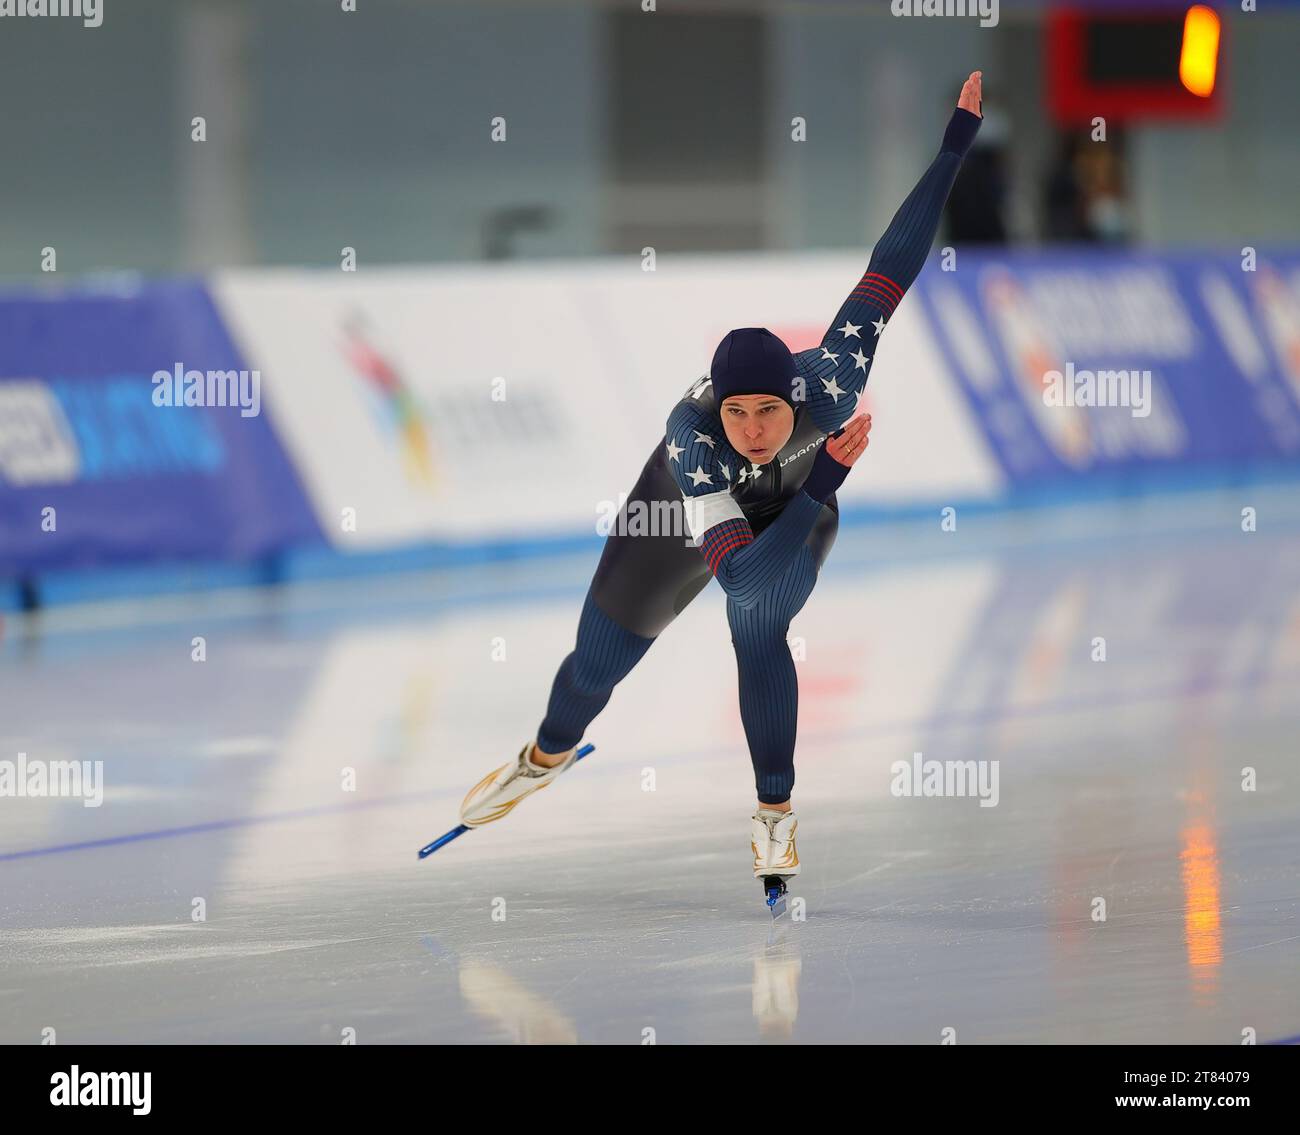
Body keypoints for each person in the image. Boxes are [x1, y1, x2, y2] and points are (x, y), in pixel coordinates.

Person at [459, 72, 985, 897]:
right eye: (735, 411)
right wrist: (830, 473)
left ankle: (774, 813)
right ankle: (544, 756)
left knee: (759, 619)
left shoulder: (834, 382)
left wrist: (955, 144)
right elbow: (731, 564)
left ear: (795, 398)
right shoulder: (692, 439)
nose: (750, 427)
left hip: (798, 509)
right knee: (598, 663)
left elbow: (891, 268)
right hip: (682, 510)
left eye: (766, 411)